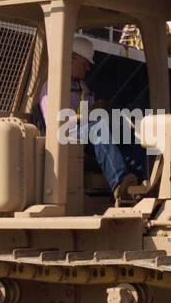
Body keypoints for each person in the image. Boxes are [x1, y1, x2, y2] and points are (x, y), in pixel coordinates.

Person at [36, 35, 144, 202]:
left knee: (124, 130)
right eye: (84, 64)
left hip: (84, 131)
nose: (87, 68)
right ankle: (120, 183)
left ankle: (140, 178)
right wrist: (90, 113)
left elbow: (89, 113)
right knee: (98, 129)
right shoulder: (52, 87)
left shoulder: (82, 87)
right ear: (70, 59)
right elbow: (56, 121)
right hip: (65, 134)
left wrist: (100, 109)